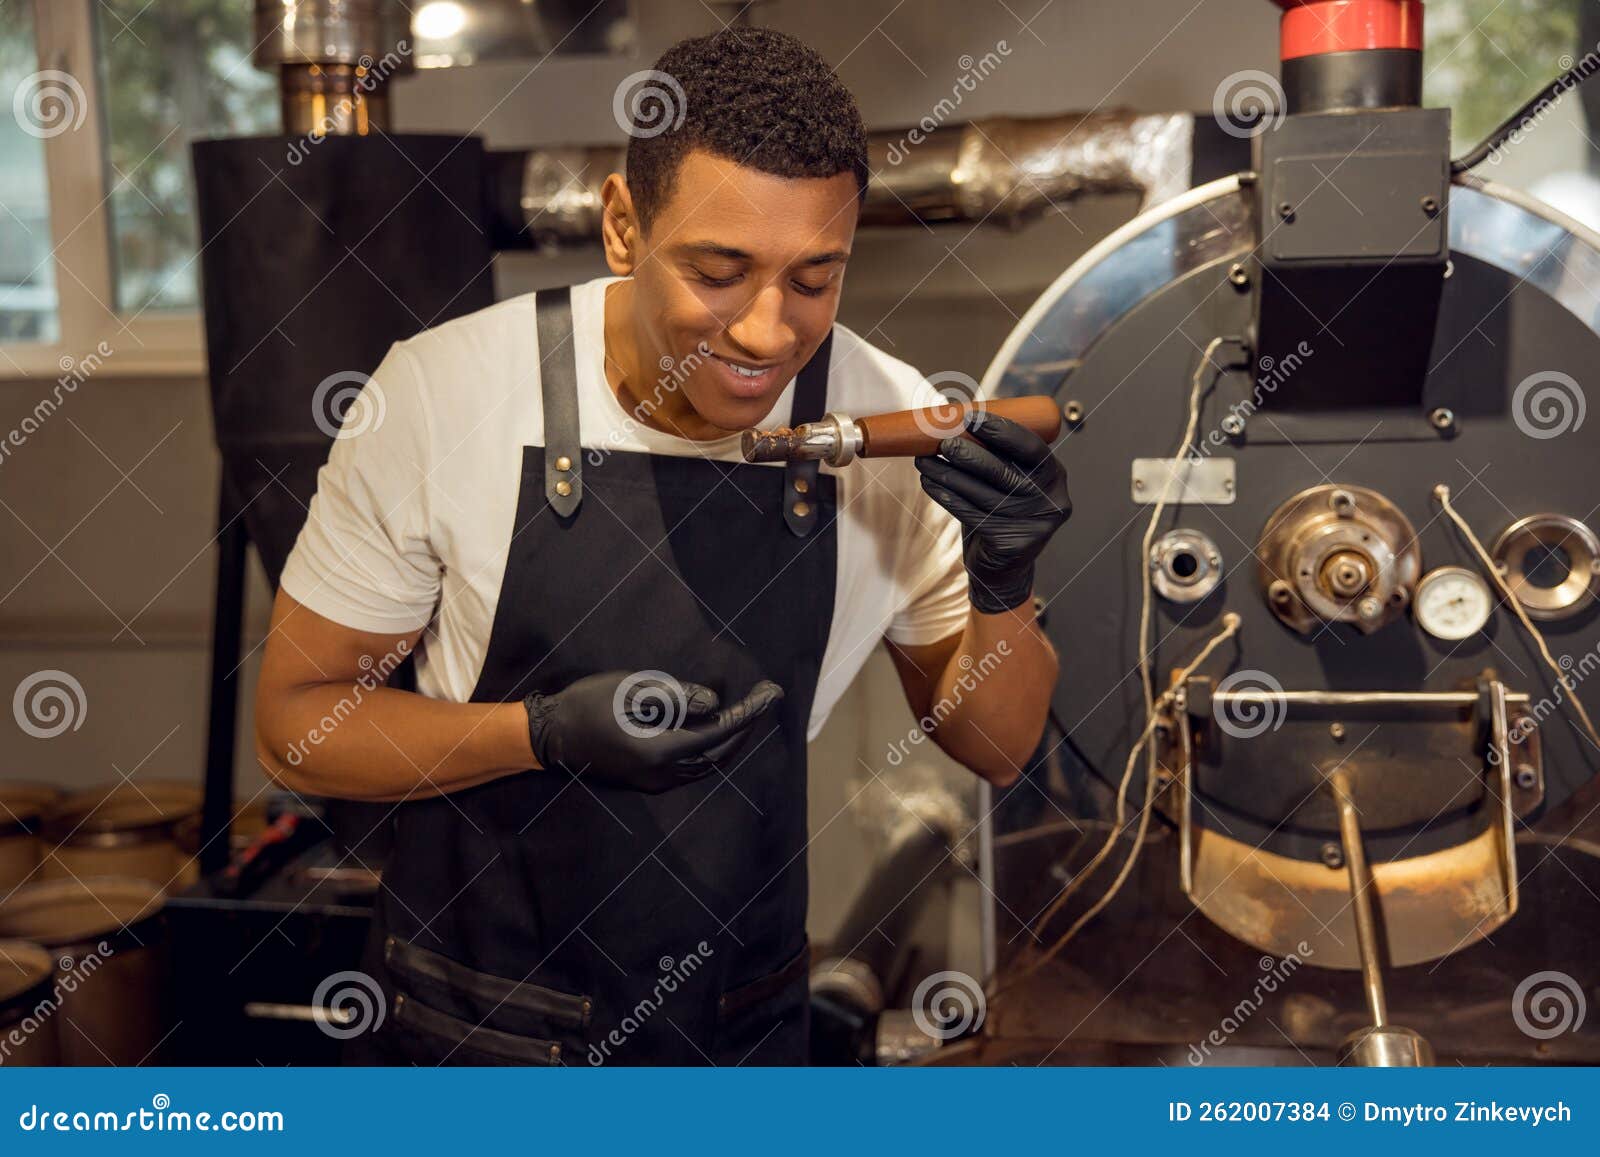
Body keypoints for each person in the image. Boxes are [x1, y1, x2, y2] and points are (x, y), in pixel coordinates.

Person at [254, 27, 1069, 1066]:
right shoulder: (442, 393)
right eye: (719, 272)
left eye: (815, 278)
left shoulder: (884, 419)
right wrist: (537, 733)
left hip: (739, 1032)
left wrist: (1004, 581)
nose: (769, 331)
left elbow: (995, 746)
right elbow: (296, 727)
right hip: (480, 1033)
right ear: (621, 225)